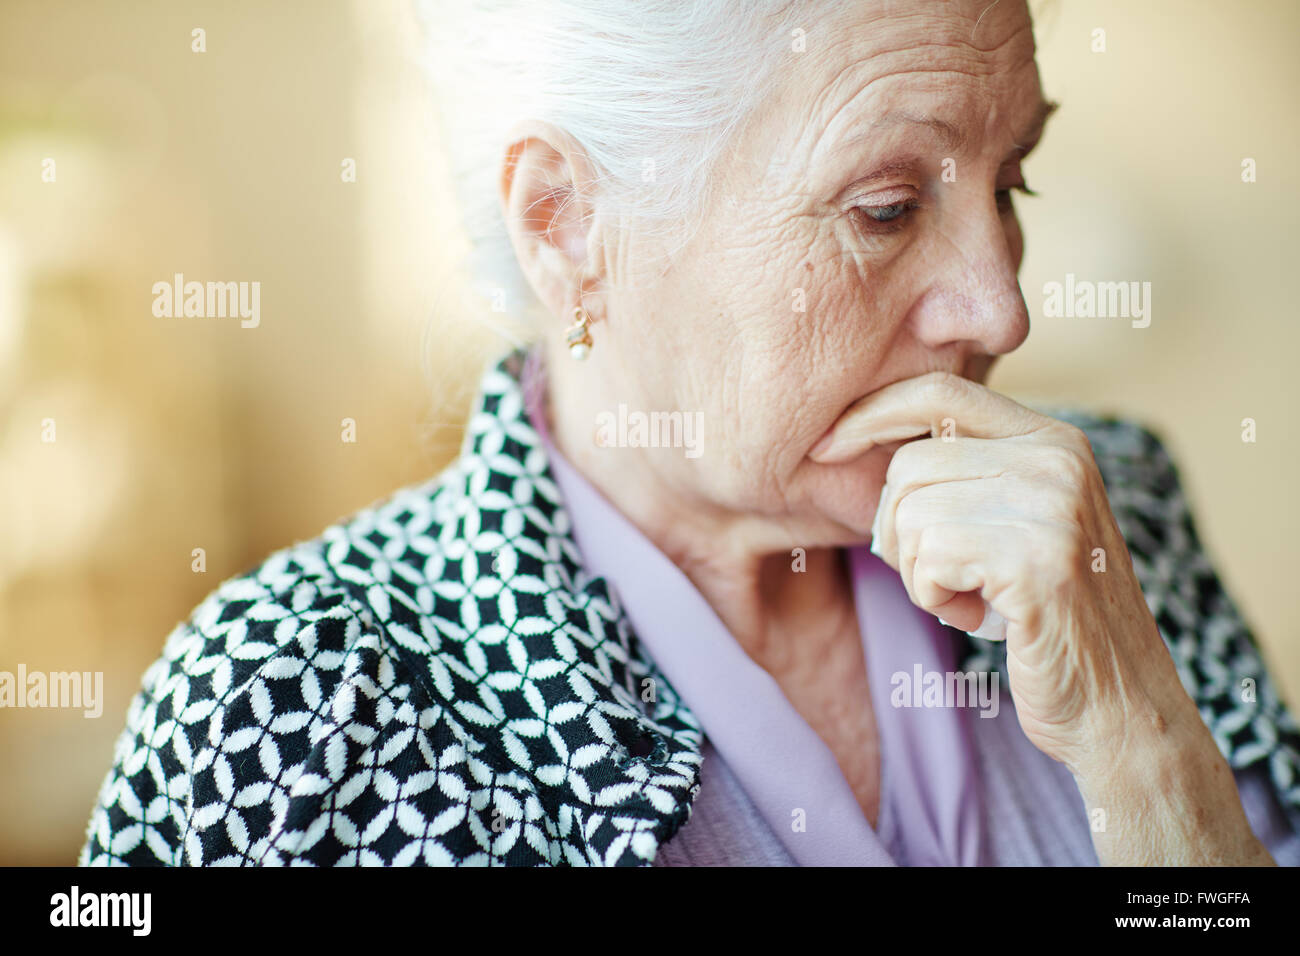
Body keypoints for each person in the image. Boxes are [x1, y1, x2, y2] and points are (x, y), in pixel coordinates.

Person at [80, 0, 1300, 866]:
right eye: (885, 208)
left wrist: (1145, 751)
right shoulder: (296, 703)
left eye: (1011, 182)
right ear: (562, 224)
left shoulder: (1106, 509)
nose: (1001, 304)